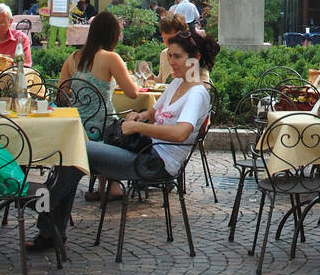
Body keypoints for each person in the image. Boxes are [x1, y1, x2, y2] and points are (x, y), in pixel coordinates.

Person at [85, 29, 218, 187]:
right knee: (74, 153)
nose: (171, 62)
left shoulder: (197, 93)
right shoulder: (177, 83)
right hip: (144, 150)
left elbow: (181, 133)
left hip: (157, 163)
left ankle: (56, 206)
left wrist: (137, 127)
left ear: (196, 58)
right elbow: (152, 114)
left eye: (177, 56)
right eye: (170, 55)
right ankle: (57, 207)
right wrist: (138, 116)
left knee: (78, 148)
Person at [57, 11, 142, 203]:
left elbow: (62, 91)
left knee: (115, 122)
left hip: (77, 125)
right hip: (101, 126)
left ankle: (104, 186)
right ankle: (114, 185)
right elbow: (133, 93)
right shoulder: (111, 58)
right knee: (127, 125)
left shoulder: (73, 57)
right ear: (113, 36)